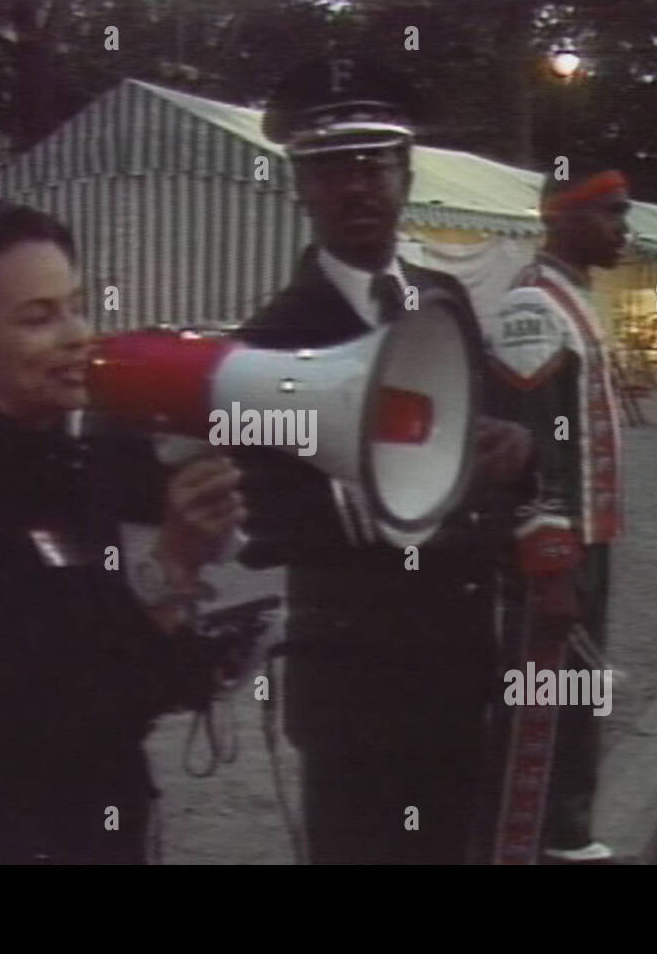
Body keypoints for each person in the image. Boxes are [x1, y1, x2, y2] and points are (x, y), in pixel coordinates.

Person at [0, 202, 247, 864]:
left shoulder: (70, 465)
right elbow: (43, 714)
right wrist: (169, 569)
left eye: (76, 306)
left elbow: (119, 669)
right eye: (38, 317)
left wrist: (194, 648)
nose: (75, 336)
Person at [233, 56, 531, 864]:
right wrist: (396, 502)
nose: (356, 186)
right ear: (301, 188)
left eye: (374, 163)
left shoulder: (445, 297)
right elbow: (262, 519)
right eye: (330, 168)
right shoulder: (272, 336)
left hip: (460, 659)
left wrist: (511, 452)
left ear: (405, 176)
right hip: (356, 683)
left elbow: (473, 428)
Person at [480, 164, 630, 863]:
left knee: (576, 686)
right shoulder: (533, 308)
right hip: (558, 545)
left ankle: (566, 828)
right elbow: (533, 443)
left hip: (590, 536)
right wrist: (550, 559)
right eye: (611, 214)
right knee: (541, 692)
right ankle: (527, 838)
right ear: (560, 219)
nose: (623, 230)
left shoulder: (571, 298)